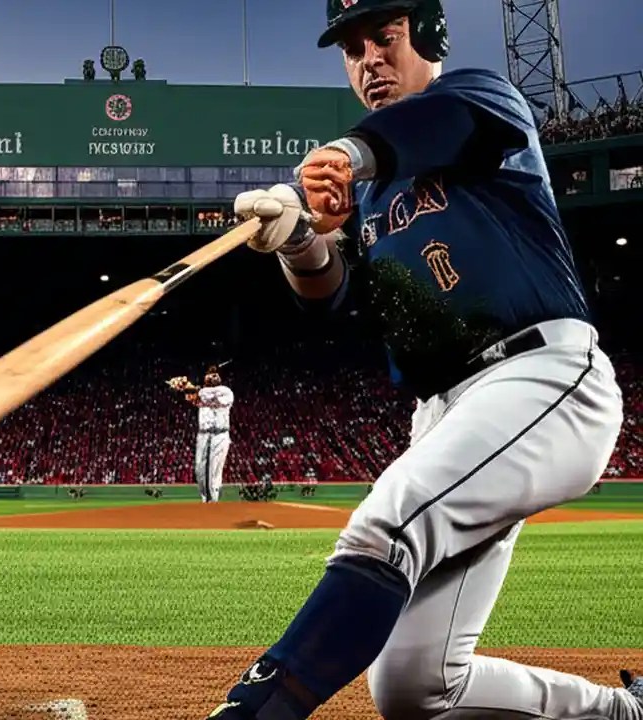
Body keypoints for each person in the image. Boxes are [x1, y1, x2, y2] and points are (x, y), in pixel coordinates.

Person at [207, 0, 635, 717]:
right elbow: (333, 298)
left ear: (429, 35)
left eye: (385, 37)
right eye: (351, 49)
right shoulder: (371, 193)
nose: (367, 59)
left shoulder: (477, 99)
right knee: (414, 685)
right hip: (444, 413)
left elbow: (434, 128)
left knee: (387, 523)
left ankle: (256, 709)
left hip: (540, 377)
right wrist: (298, 242)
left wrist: (344, 154)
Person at [167, 366, 235, 503]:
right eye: (210, 376)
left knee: (213, 469)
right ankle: (207, 498)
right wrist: (181, 387)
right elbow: (194, 398)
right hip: (203, 435)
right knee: (200, 470)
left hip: (219, 434)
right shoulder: (202, 392)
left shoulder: (225, 391)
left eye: (214, 375)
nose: (212, 378)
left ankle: (212, 501)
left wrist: (187, 385)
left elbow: (206, 396)